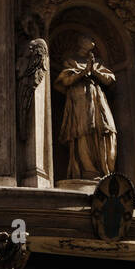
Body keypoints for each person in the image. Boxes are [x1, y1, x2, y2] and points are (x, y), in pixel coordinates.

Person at [55, 36, 117, 178]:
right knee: (83, 131)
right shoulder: (71, 60)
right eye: (88, 39)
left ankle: (106, 168)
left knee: (108, 130)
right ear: (80, 42)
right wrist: (83, 72)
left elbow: (110, 80)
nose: (92, 40)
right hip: (79, 97)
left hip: (97, 97)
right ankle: (88, 170)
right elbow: (65, 81)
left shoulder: (97, 62)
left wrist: (94, 70)